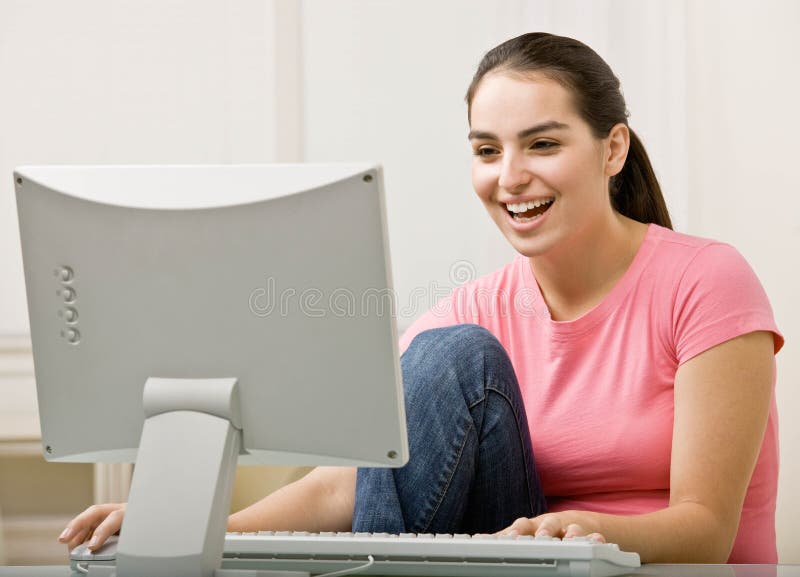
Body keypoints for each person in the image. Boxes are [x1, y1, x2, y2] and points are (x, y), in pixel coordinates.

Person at [58, 32, 783, 564]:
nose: (511, 176)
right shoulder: (473, 311)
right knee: (449, 355)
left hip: (634, 565)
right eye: (487, 150)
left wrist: (579, 528)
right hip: (529, 561)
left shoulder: (706, 282)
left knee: (451, 356)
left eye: (542, 144)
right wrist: (196, 523)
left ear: (613, 149)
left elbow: (705, 526)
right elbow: (356, 478)